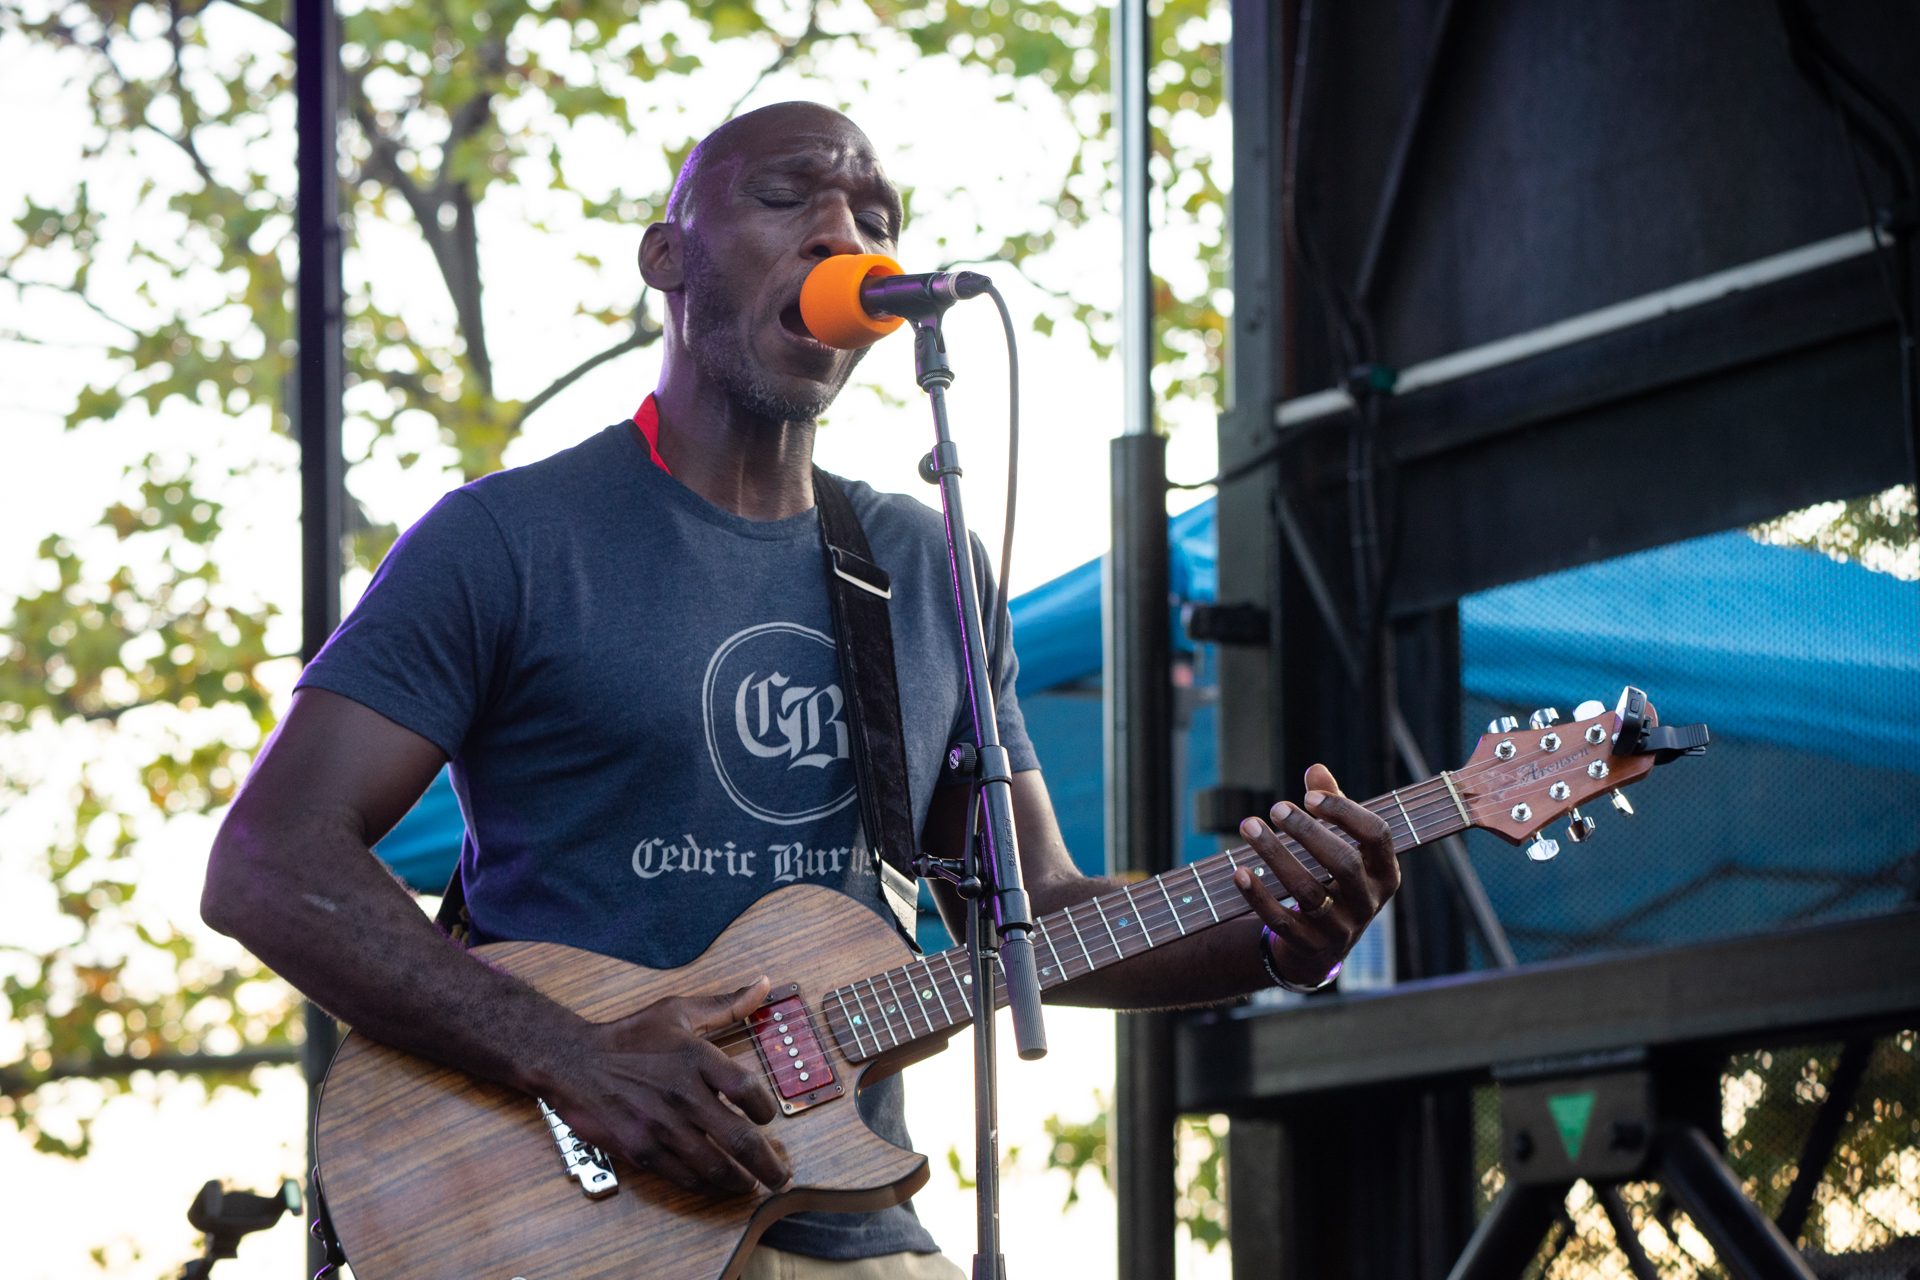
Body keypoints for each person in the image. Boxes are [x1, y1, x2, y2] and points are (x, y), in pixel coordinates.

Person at [200, 100, 1401, 1280]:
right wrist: (569, 1052)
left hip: (857, 1226)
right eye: (788, 195)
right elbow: (269, 861)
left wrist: (1282, 941)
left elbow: (1035, 910)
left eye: (872, 212)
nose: (844, 230)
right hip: (566, 1235)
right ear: (667, 256)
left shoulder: (925, 564)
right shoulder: (506, 539)